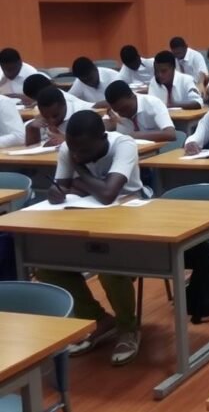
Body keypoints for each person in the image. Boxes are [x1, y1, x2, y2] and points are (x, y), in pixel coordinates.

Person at [36, 110, 146, 365]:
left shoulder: (123, 144)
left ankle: (127, 328)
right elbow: (63, 187)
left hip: (132, 214)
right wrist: (56, 191)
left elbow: (108, 195)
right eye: (73, 149)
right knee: (47, 268)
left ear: (102, 138)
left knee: (110, 267)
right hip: (85, 215)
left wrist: (79, 173)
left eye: (83, 150)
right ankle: (100, 320)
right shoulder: (71, 148)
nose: (76, 155)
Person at [103, 80, 175, 142]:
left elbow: (171, 134)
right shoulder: (114, 113)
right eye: (117, 111)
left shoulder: (153, 103)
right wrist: (108, 128)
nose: (122, 114)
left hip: (161, 149)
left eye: (124, 109)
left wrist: (136, 135)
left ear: (133, 97)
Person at [24, 85, 94, 146]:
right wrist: (31, 129)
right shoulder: (42, 117)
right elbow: (31, 149)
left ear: (64, 104)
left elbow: (91, 144)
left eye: (55, 116)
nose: (51, 121)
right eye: (46, 117)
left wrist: (67, 140)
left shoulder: (83, 113)